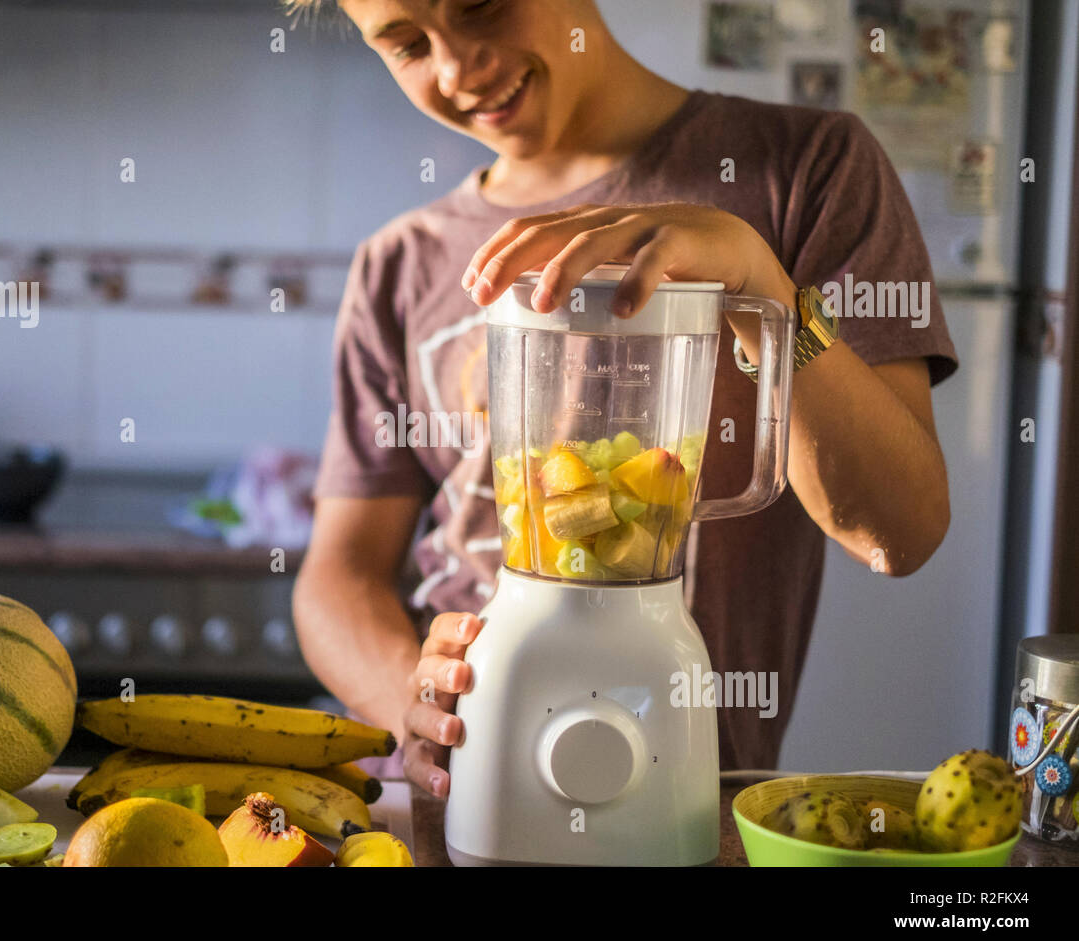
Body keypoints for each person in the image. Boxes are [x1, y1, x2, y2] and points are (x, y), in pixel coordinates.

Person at [290, 0, 957, 797]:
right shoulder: (399, 263)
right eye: (404, 44)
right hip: (458, 789)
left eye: (480, 7)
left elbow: (901, 532)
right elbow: (339, 577)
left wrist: (763, 288)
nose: (457, 70)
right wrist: (409, 695)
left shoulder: (807, 169)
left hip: (700, 800)